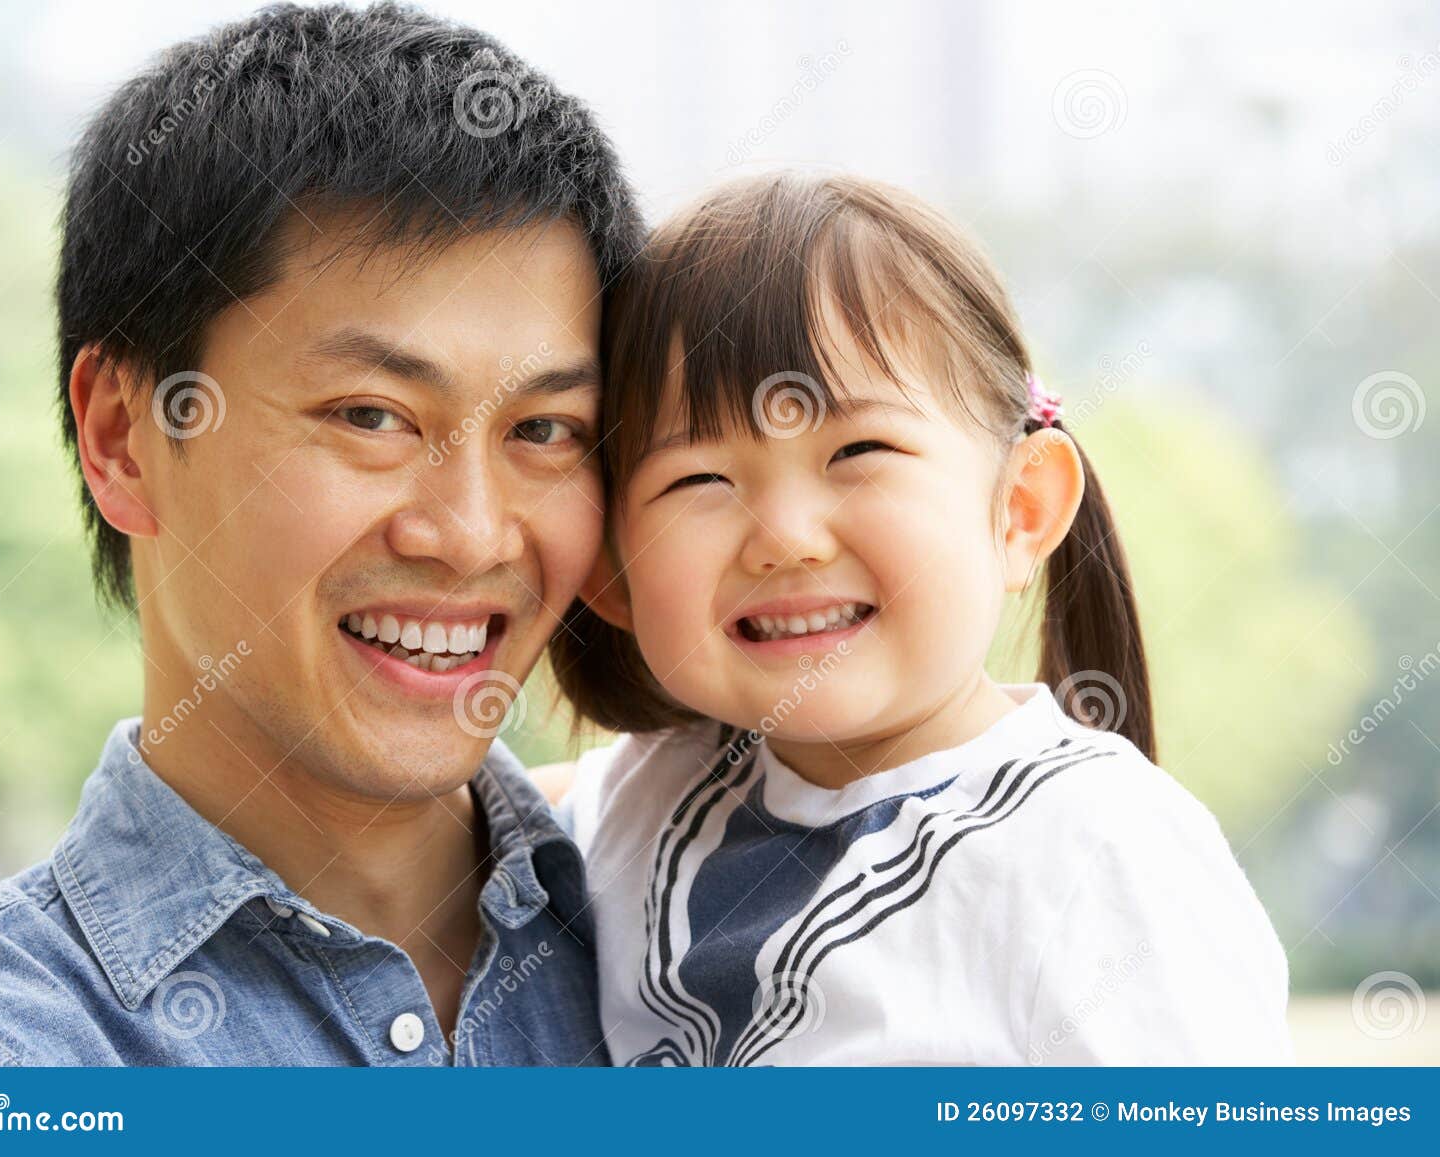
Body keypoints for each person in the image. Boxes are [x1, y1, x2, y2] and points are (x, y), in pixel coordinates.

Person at [0, 2, 642, 1066]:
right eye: (371, 416)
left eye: (544, 430)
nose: (470, 533)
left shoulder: (716, 930)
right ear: (124, 434)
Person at [547, 172, 1292, 1065]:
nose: (784, 538)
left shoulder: (1100, 851)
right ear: (610, 572)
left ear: (1019, 509)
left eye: (859, 451)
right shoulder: (639, 802)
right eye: (699, 481)